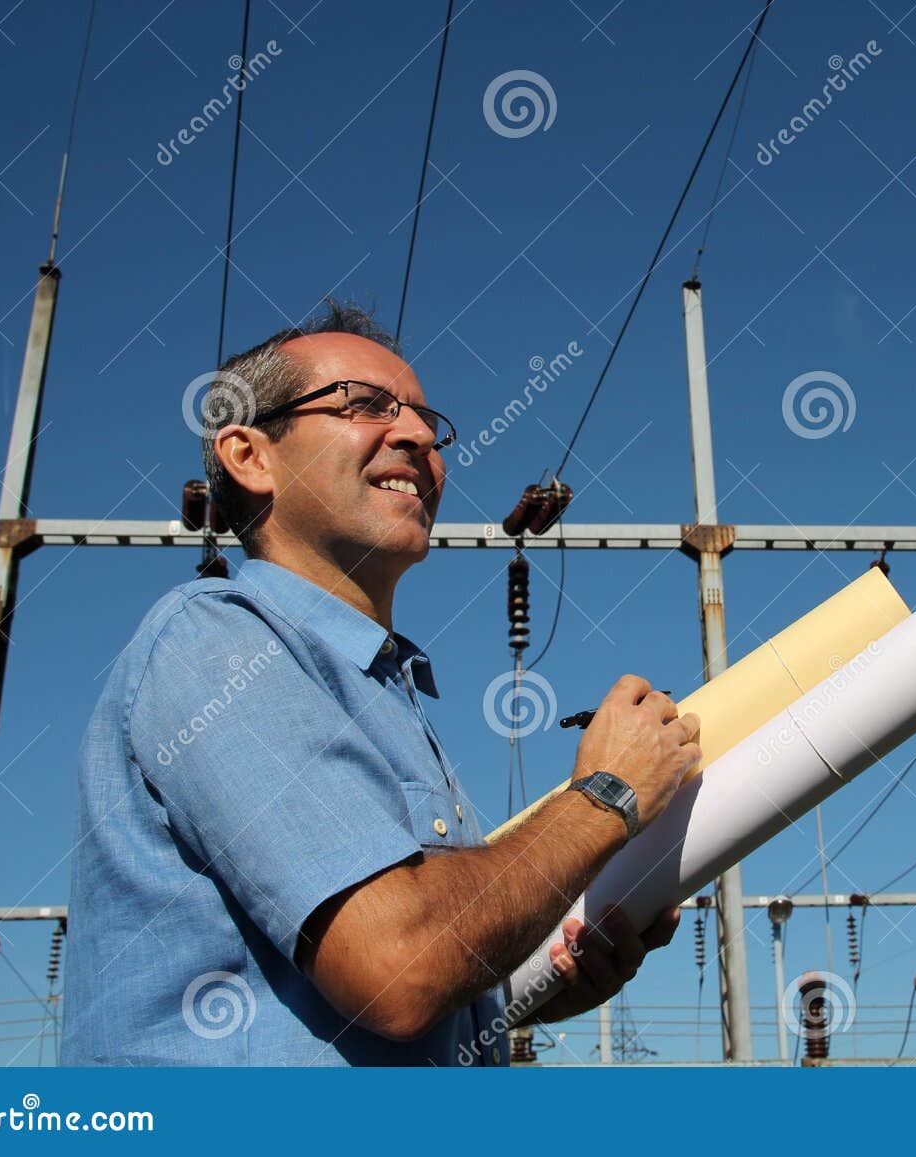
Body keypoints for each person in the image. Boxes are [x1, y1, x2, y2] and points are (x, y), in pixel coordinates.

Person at [62, 302, 700, 1065]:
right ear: (249, 454)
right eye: (364, 406)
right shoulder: (215, 642)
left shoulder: (390, 696)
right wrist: (606, 795)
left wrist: (536, 989)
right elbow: (397, 964)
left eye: (429, 422)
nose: (420, 436)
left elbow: (405, 984)